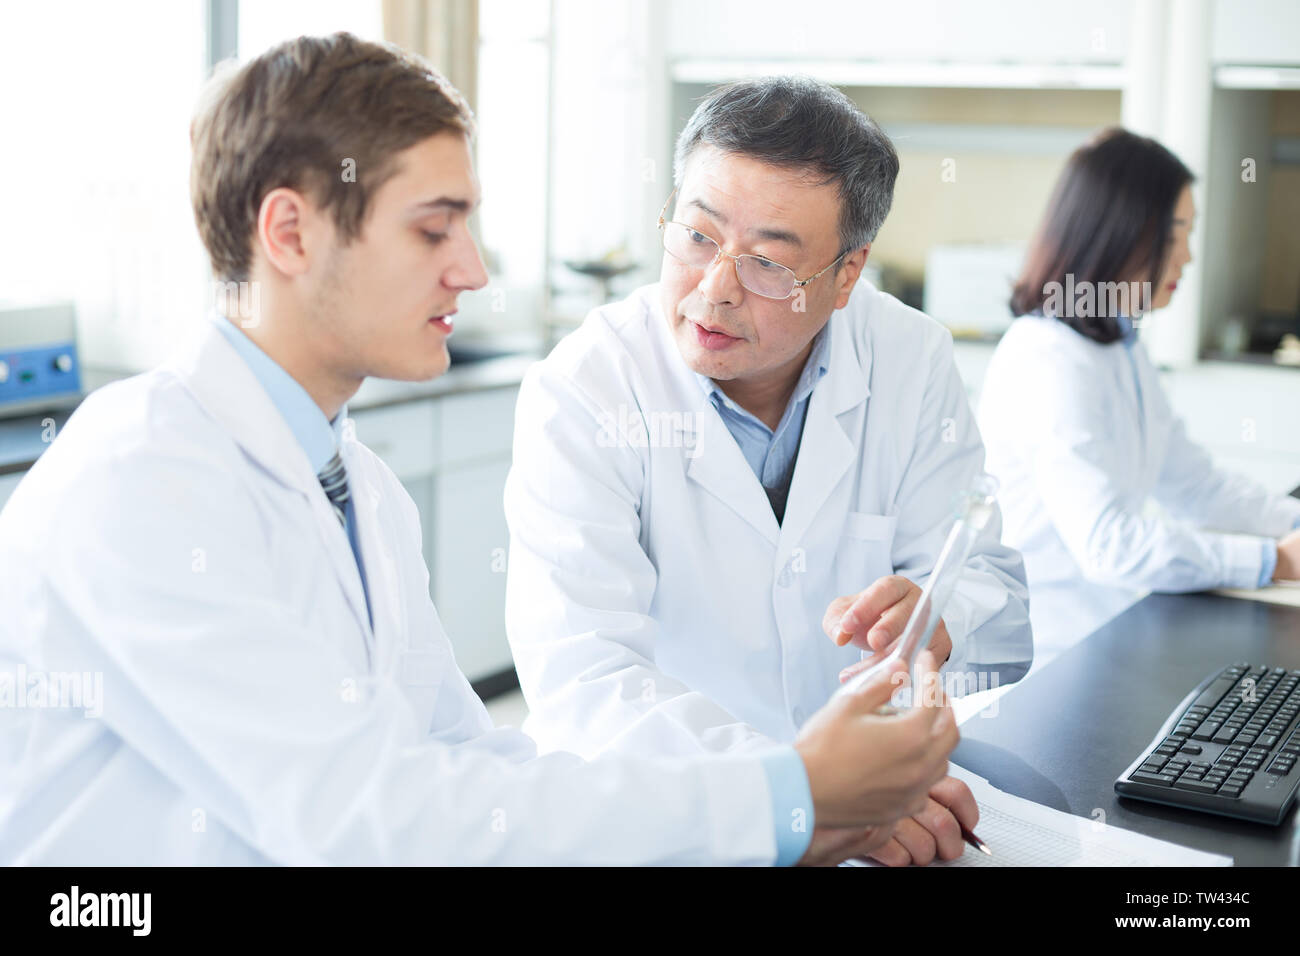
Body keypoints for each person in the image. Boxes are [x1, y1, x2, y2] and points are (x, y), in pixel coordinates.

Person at [0, 35, 959, 866]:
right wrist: (792, 796)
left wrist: (808, 804)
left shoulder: (358, 488)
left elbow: (473, 766)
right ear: (289, 231)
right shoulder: (141, 478)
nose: (474, 268)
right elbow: (367, 823)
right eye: (435, 227)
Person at [503, 77, 1030, 866]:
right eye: (697, 237)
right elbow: (584, 679)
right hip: (673, 819)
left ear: (848, 275)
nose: (714, 290)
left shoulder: (911, 357)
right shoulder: (586, 388)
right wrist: (807, 789)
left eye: (769, 265)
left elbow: (998, 598)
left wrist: (936, 615)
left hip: (875, 808)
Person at [977, 127, 1300, 665]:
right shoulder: (1047, 358)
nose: (1189, 257)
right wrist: (1273, 561)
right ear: (1123, 233)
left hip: (1112, 628)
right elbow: (1109, 544)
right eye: (1178, 233)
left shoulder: (1117, 342)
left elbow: (1194, 484)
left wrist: (1290, 525)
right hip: (1051, 660)